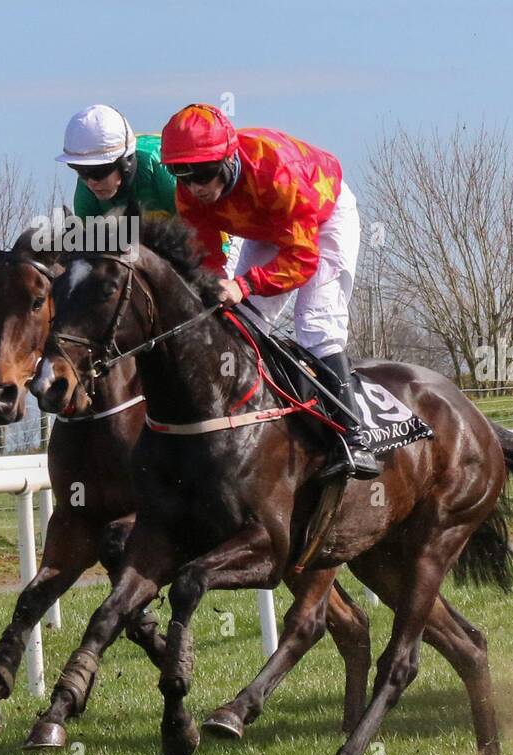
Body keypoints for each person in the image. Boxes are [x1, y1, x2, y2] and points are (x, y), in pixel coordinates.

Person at [159, 103, 379, 477]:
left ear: (228, 159)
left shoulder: (276, 172)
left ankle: (355, 437)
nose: (195, 186)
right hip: (265, 228)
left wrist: (244, 284)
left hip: (321, 220)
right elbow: (207, 258)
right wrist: (216, 290)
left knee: (315, 324)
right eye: (181, 173)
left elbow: (302, 260)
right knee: (237, 322)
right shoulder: (190, 195)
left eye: (204, 173)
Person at [55, 104, 179, 220]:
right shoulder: (86, 189)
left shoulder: (162, 171)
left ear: (126, 163)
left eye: (98, 173)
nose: (91, 182)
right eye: (81, 171)